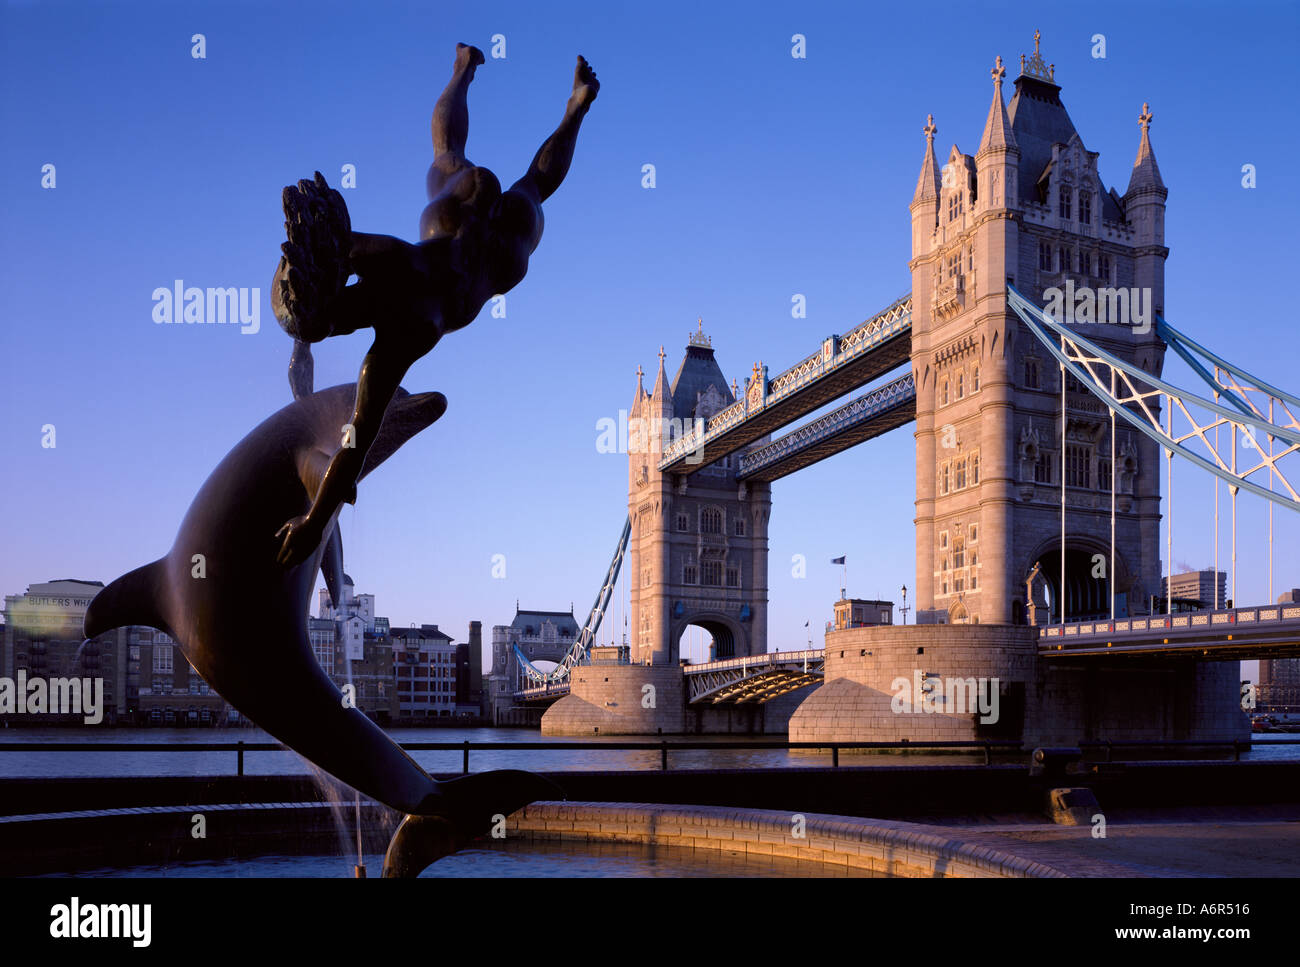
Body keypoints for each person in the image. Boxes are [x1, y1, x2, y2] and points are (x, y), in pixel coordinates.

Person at [273, 43, 599, 567]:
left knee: (534, 188)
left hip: (492, 264)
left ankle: (575, 107)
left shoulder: (401, 341)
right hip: (456, 217)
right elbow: (336, 249)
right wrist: (310, 261)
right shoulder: (384, 260)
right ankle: (466, 68)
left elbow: (355, 445)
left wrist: (313, 526)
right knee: (446, 154)